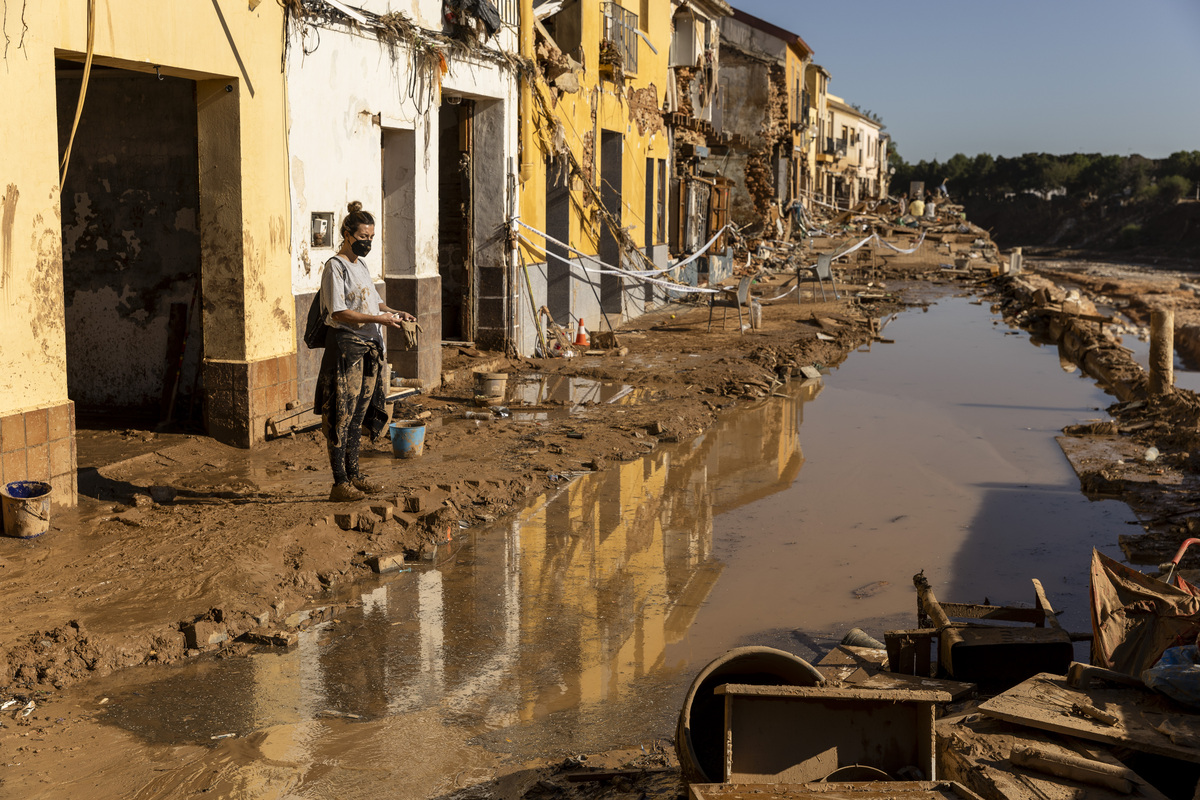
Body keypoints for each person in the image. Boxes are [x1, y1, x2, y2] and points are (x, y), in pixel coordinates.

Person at [315, 201, 415, 502]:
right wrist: (378, 320)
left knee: (359, 414)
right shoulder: (336, 267)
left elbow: (373, 302)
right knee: (341, 415)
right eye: (362, 237)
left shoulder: (362, 266)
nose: (367, 242)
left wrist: (394, 312)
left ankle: (355, 474)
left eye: (371, 238)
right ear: (347, 234)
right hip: (347, 350)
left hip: (370, 348)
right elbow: (339, 312)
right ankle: (339, 482)